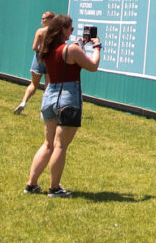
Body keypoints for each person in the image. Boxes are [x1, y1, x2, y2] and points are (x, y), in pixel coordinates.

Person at [25, 14, 101, 197]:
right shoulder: (71, 50)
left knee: (48, 144)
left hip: (49, 96)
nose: (73, 31)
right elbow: (92, 65)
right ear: (63, 30)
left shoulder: (47, 49)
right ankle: (54, 188)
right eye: (70, 28)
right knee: (60, 146)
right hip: (68, 98)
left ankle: (31, 184)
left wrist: (79, 45)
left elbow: (67, 56)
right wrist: (97, 47)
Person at [14, 11, 54, 114]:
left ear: (50, 19)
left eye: (44, 18)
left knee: (33, 84)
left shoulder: (40, 31)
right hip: (50, 60)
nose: (42, 20)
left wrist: (41, 50)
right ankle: (43, 110)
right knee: (48, 85)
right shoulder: (56, 32)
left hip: (39, 59)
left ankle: (23, 102)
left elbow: (34, 47)